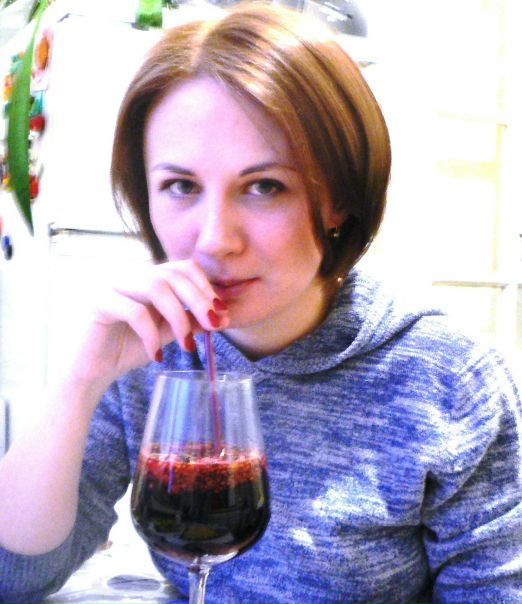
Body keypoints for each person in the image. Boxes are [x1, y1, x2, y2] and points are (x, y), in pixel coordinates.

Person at [1, 2, 521, 603]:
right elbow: (15, 577)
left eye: (264, 186)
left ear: (339, 200)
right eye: (181, 186)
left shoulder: (451, 381)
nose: (214, 239)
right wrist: (82, 381)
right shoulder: (150, 350)